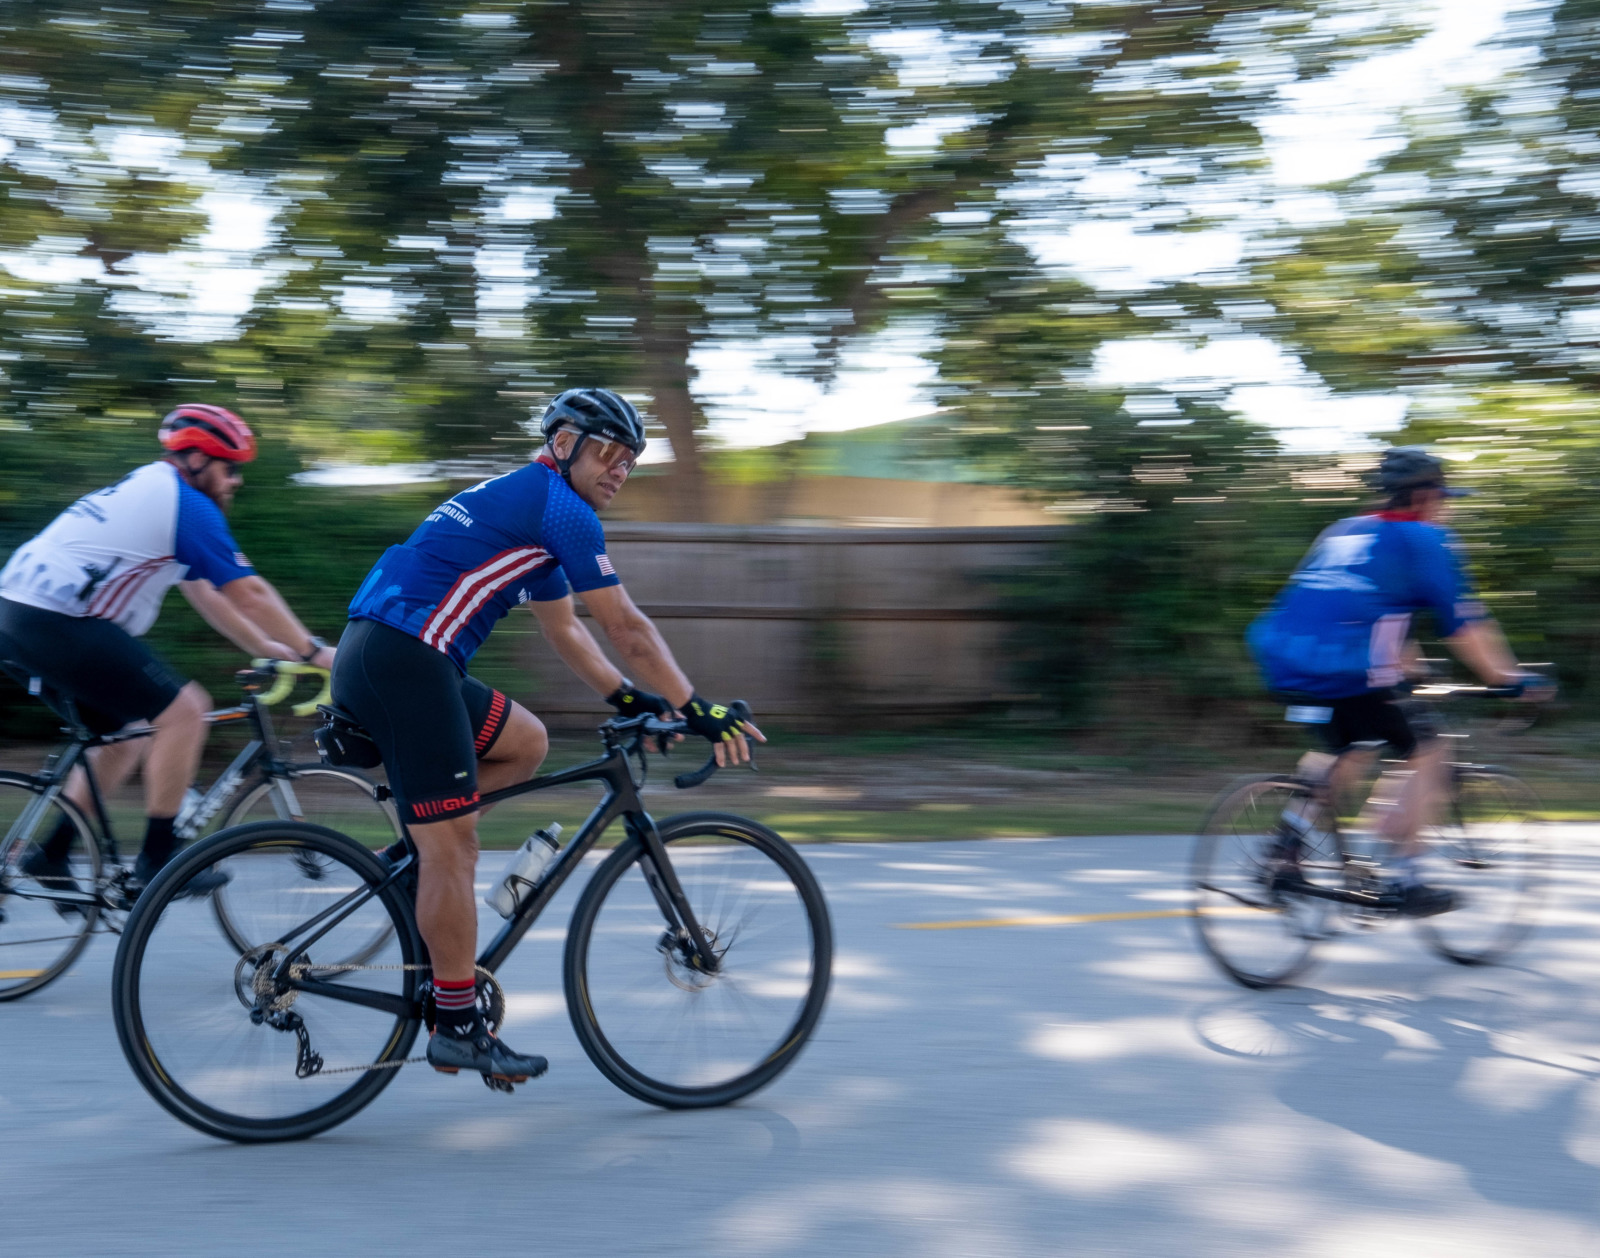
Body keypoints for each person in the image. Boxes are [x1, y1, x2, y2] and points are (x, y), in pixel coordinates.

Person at [331, 386, 762, 1087]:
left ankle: (420, 862)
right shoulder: (560, 507)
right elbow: (626, 626)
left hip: (391, 653)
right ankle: (458, 1025)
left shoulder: (539, 511)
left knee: (524, 741)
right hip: (406, 661)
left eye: (629, 460)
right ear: (562, 444)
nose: (620, 468)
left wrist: (629, 697)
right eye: (607, 452)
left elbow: (567, 630)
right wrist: (696, 708)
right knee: (456, 848)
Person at [0, 404, 337, 898]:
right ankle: (158, 862)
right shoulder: (187, 503)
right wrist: (312, 652)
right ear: (197, 460)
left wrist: (266, 646)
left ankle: (51, 853)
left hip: (18, 615)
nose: (236, 480)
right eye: (230, 466)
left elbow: (204, 590)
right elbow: (250, 592)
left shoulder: (153, 488)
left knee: (129, 733)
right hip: (56, 617)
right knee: (186, 710)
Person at [1247, 446, 1550, 916]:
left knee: (1345, 744)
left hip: (1283, 658)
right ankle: (1409, 877)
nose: (1446, 506)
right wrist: (1508, 677)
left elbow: (1363, 608)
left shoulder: (1344, 531)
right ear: (1426, 496)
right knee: (1429, 748)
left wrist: (1413, 668)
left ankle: (1286, 848)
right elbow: (1465, 626)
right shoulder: (1425, 540)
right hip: (1347, 667)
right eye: (1443, 497)